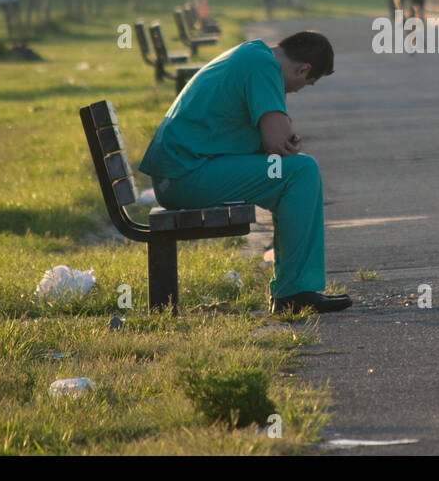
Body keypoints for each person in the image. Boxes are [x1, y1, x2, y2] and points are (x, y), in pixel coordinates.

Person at [137, 31, 349, 314]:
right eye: (304, 84)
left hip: (181, 173)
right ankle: (294, 292)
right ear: (303, 69)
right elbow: (276, 142)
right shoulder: (263, 66)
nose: (296, 90)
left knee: (294, 173)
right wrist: (284, 127)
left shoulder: (254, 55)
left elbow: (271, 144)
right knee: (301, 172)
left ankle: (294, 289)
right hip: (185, 176)